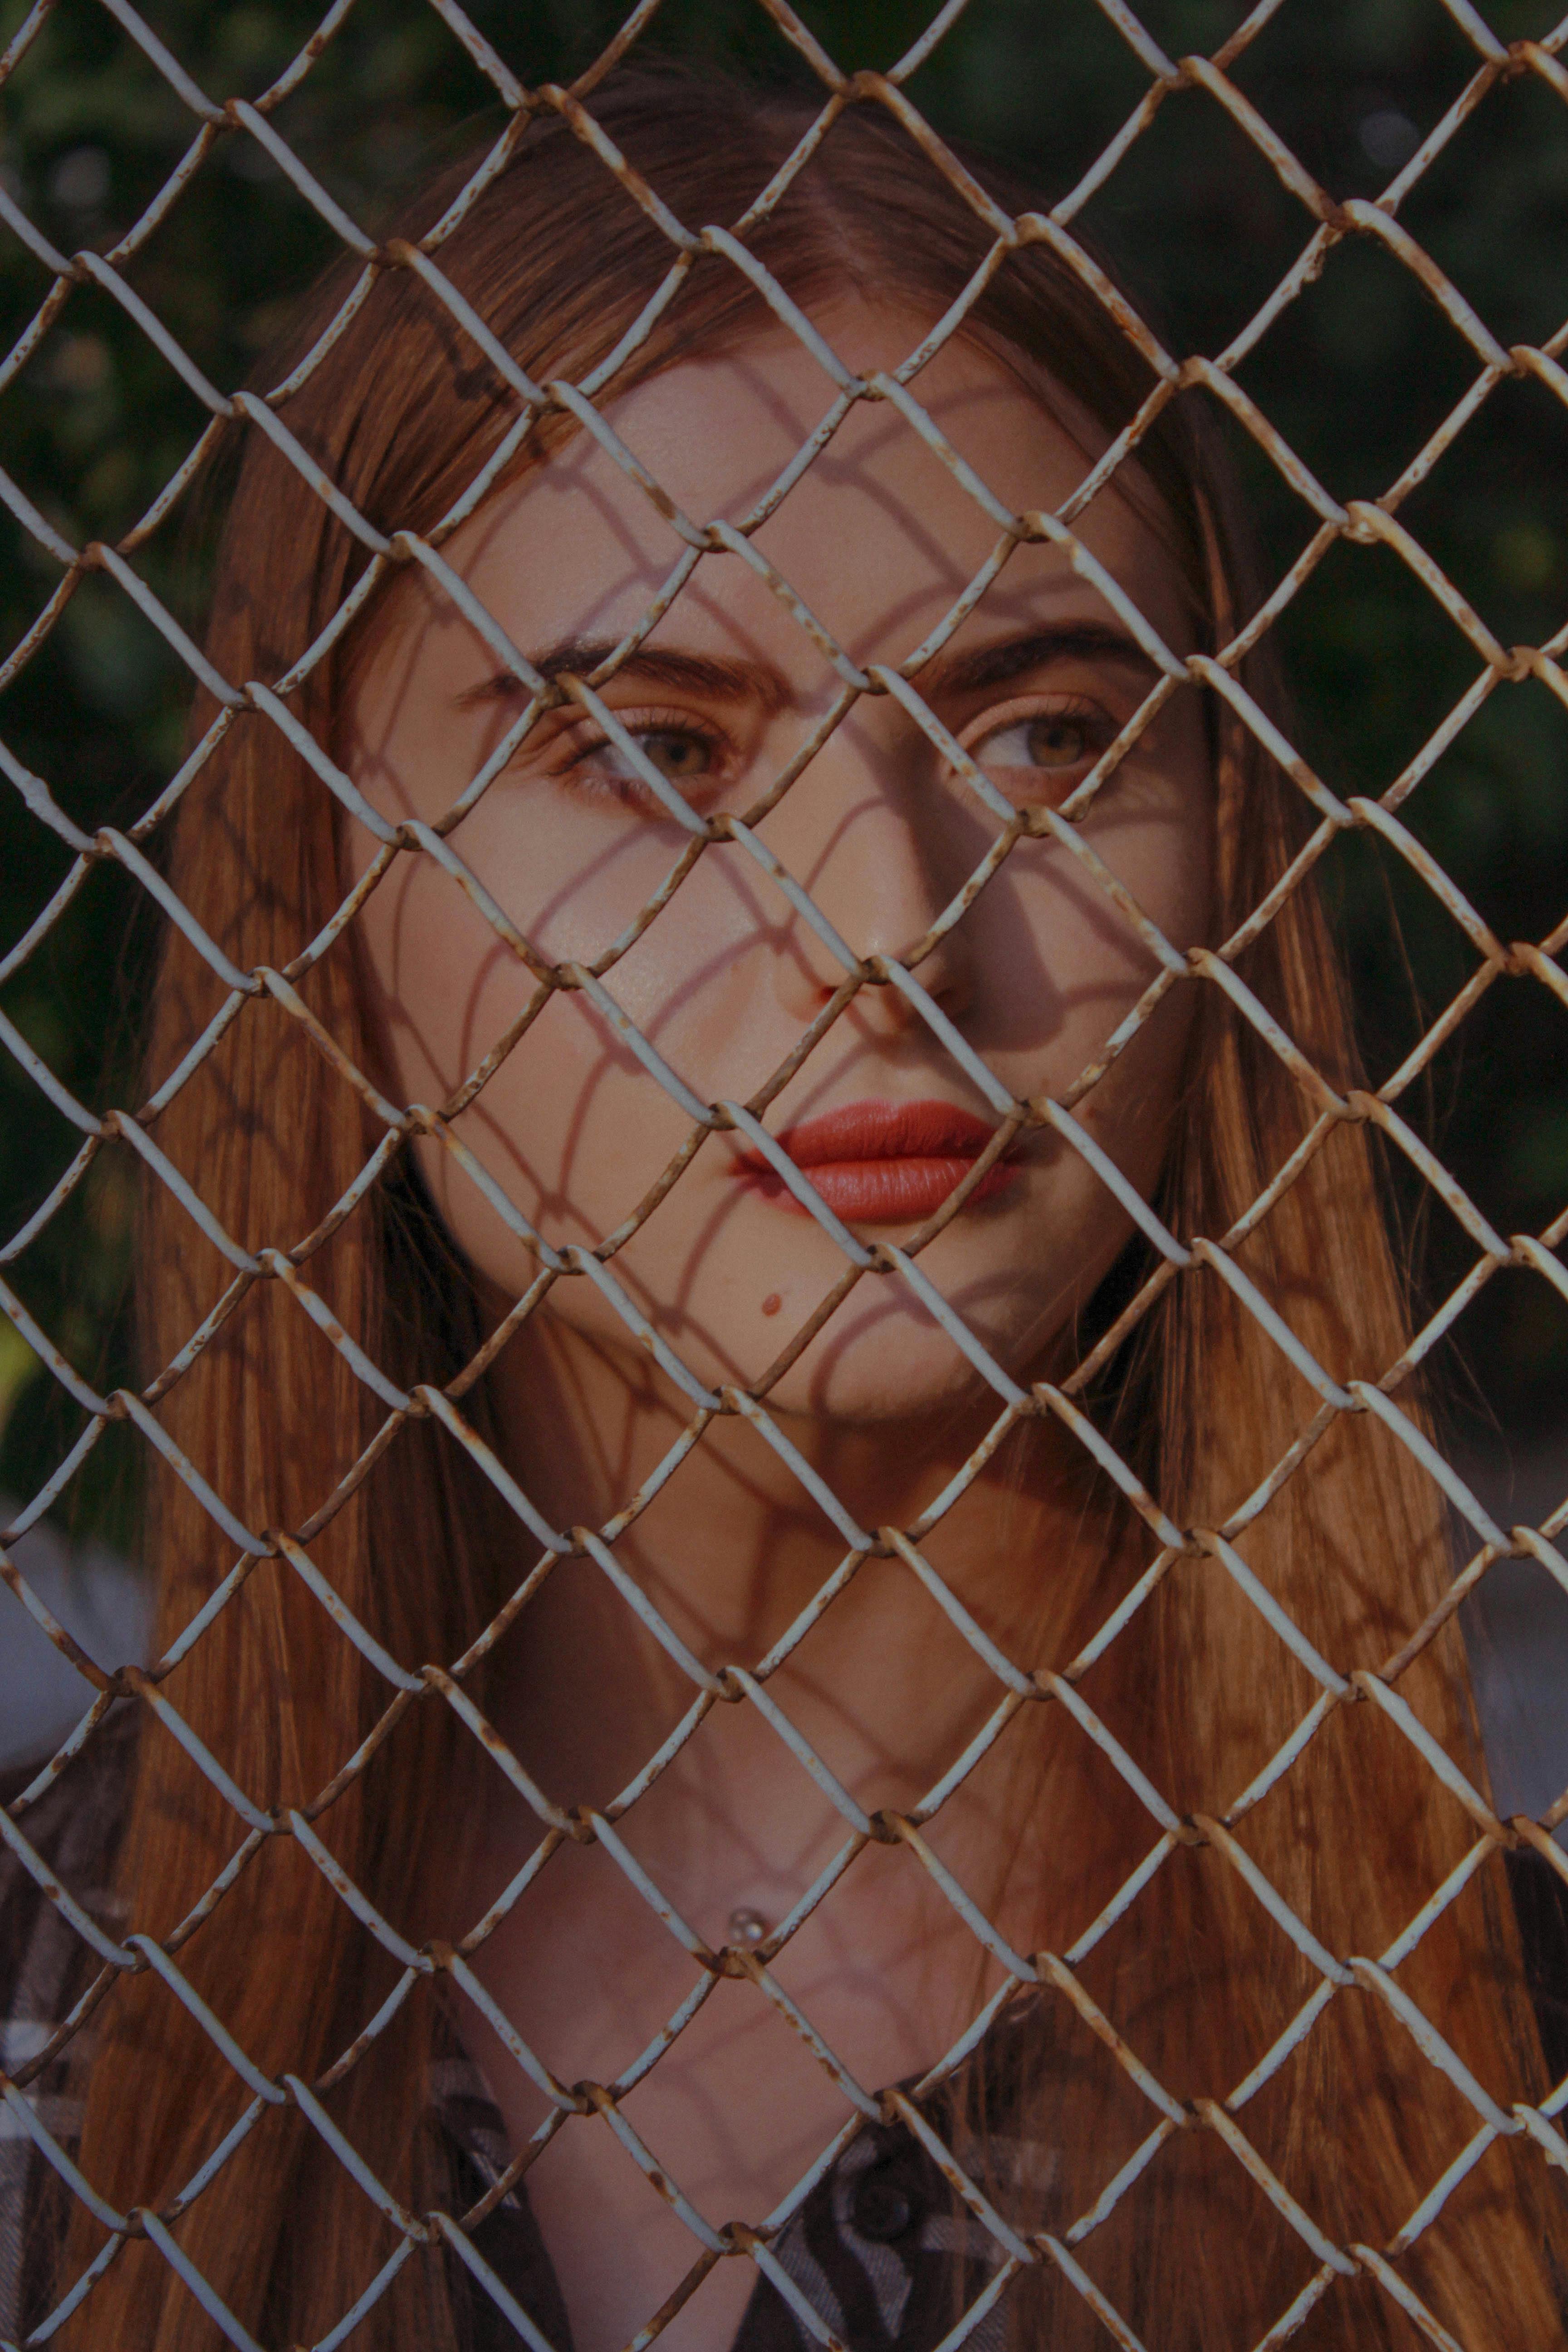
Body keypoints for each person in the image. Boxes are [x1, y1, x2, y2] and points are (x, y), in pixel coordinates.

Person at [2, 64, 1562, 2352]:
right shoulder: (58, 2037)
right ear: (327, 892)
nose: (890, 926)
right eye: (654, 747)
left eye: (1043, 735)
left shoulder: (1506, 2084)